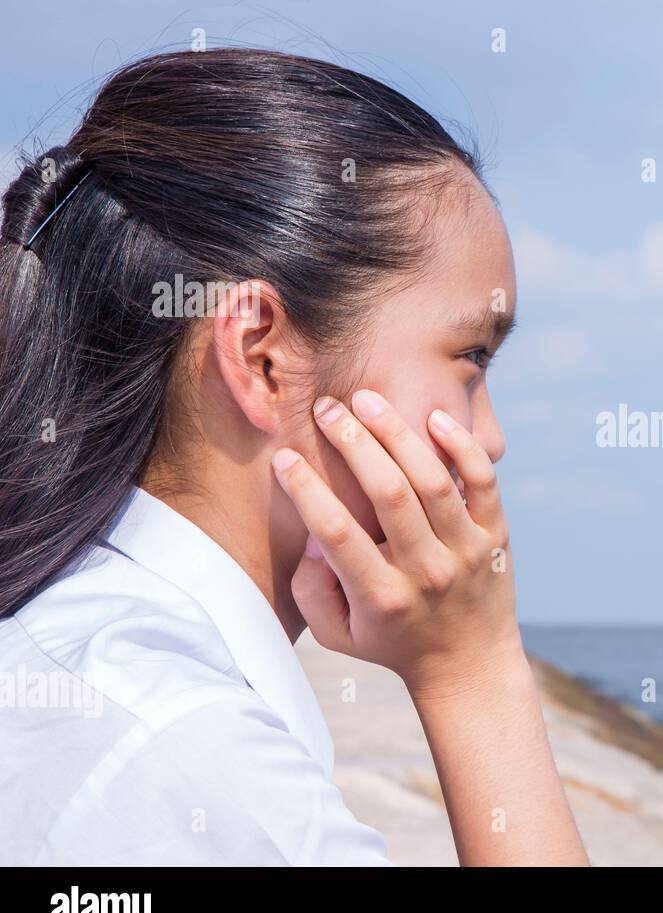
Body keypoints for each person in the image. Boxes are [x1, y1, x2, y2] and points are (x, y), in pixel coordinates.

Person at [0, 48, 589, 866]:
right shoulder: (184, 754)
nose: (489, 437)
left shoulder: (95, 671)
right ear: (262, 357)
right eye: (472, 358)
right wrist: (476, 675)